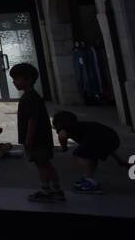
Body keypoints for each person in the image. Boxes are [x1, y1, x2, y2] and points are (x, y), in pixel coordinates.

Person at [11, 63, 63, 203]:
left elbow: (32, 119)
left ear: (27, 79)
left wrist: (29, 138)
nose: (14, 82)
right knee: (46, 163)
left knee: (41, 164)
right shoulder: (32, 96)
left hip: (37, 138)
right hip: (41, 137)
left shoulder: (30, 98)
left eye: (17, 79)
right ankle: (57, 190)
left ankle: (46, 190)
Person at [53, 110, 129, 194]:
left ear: (59, 124)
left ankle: (90, 181)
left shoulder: (66, 128)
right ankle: (88, 177)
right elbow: (105, 146)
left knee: (79, 154)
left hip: (100, 139)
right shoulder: (82, 128)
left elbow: (62, 136)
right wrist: (119, 160)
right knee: (90, 155)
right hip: (113, 138)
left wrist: (64, 148)